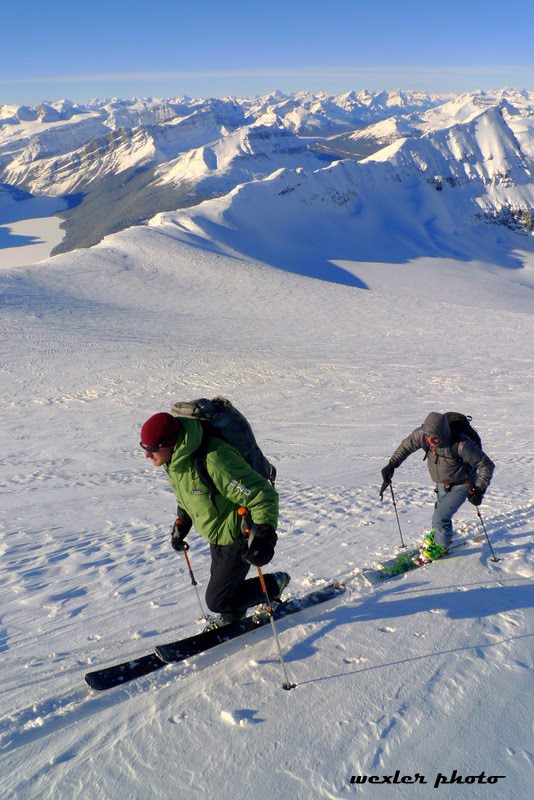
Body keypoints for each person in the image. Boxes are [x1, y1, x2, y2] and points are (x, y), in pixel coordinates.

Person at [140, 411, 289, 625]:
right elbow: (187, 494)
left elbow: (262, 495)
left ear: (170, 442)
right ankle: (232, 622)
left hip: (237, 534)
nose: (147, 454)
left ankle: (274, 584)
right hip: (216, 532)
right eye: (143, 447)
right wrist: (183, 521)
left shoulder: (215, 459)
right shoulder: (174, 461)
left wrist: (264, 534)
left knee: (218, 599)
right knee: (227, 590)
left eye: (152, 448)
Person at [380, 411, 495, 563]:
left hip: (463, 483)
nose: (431, 441)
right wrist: (391, 465)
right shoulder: (423, 435)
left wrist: (479, 490)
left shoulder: (461, 444)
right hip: (442, 482)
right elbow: (405, 447)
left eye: (435, 438)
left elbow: (486, 465)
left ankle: (441, 546)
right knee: (438, 514)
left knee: (441, 518)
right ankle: (440, 536)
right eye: (429, 438)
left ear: (443, 433)